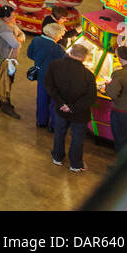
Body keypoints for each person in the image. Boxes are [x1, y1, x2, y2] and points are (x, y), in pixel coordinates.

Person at [45, 43, 98, 172]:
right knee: (77, 137)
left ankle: (57, 157)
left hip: (60, 108)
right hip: (79, 113)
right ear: (84, 58)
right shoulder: (88, 76)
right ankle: (75, 164)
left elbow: (50, 86)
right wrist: (72, 107)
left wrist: (61, 103)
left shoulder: (55, 65)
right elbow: (90, 97)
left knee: (59, 133)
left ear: (70, 52)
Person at [26, 22, 67, 130]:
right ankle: (53, 126)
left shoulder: (36, 40)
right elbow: (64, 65)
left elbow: (29, 54)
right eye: (61, 35)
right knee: (54, 102)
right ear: (54, 35)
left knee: (42, 99)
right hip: (54, 80)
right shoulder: (58, 49)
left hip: (40, 76)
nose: (61, 37)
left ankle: (41, 121)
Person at [0, 4, 25, 117]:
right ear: (5, 17)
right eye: (11, 17)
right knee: (6, 80)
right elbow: (15, 43)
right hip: (5, 58)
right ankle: (5, 104)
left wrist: (18, 36)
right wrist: (18, 37)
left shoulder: (5, 22)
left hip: (1, 54)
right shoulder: (3, 27)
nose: (14, 19)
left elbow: (20, 35)